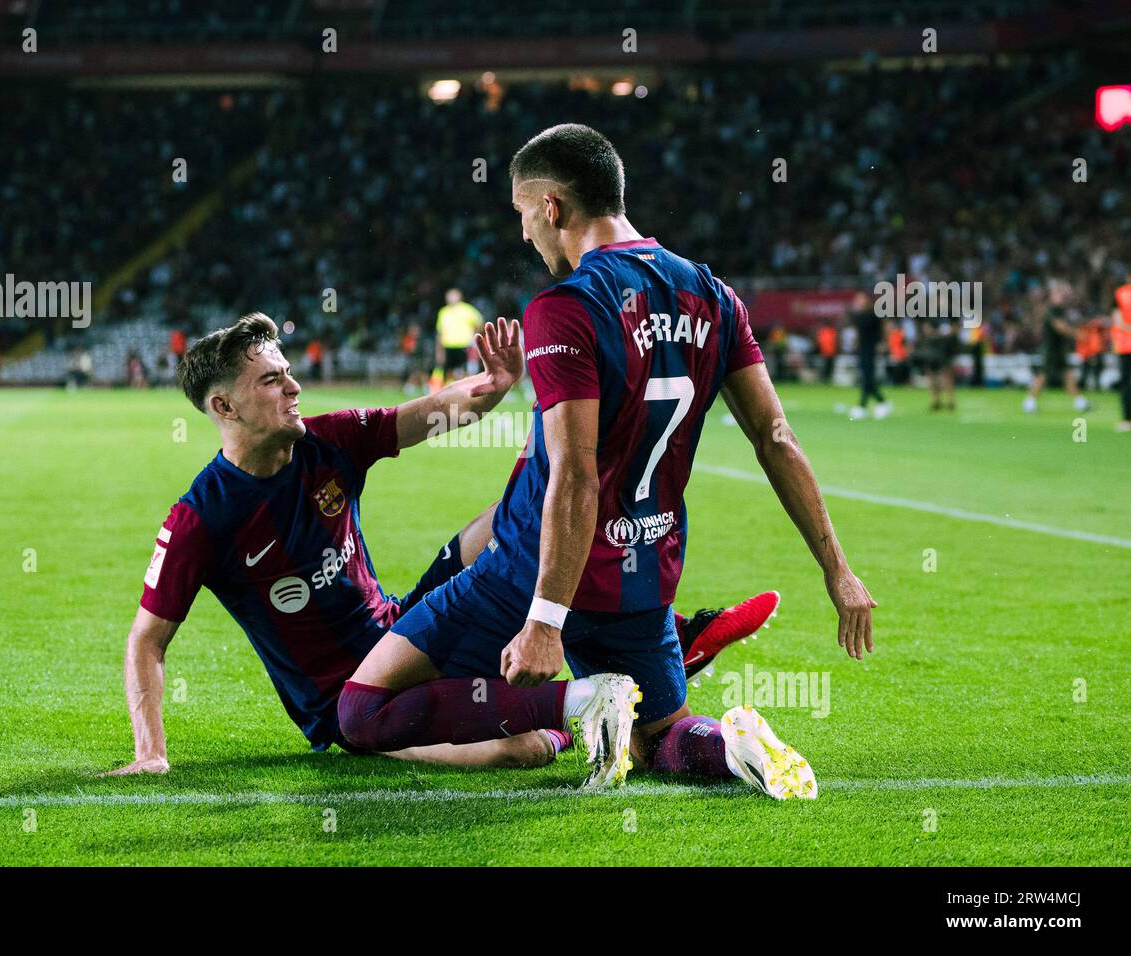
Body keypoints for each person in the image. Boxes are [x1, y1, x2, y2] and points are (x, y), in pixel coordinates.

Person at [338, 124, 875, 798]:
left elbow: (575, 472)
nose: (524, 232)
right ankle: (732, 747)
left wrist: (545, 620)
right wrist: (839, 572)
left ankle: (579, 701)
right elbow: (776, 439)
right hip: (641, 574)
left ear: (552, 206)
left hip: (530, 571)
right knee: (661, 741)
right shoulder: (713, 295)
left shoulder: (567, 307)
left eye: (522, 212)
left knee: (361, 710)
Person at [105, 311, 784, 775]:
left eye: (287, 371)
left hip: (400, 626)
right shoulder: (201, 519)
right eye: (271, 379)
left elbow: (427, 414)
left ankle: (653, 632)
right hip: (347, 701)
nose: (295, 385)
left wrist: (492, 386)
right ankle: (591, 702)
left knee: (507, 519)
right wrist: (150, 750)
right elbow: (146, 641)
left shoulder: (327, 441)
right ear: (223, 407)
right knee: (521, 751)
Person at [1024, 280, 1089, 414]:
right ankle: (1029, 401)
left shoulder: (1059, 310)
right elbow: (1059, 326)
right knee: (1044, 374)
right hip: (1051, 348)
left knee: (1067, 373)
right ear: (1052, 296)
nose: (1062, 296)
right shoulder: (1051, 310)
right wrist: (1077, 334)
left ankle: (1079, 401)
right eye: (1058, 294)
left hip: (1059, 347)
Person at [849, 290, 890, 419]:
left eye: (862, 299)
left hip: (871, 348)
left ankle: (866, 405)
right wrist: (855, 342)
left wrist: (883, 343)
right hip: (862, 349)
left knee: (867, 377)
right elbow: (858, 332)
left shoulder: (874, 314)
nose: (860, 302)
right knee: (866, 378)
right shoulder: (857, 315)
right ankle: (877, 402)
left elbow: (883, 329)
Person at [434, 288, 483, 381]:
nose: (452, 298)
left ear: (460, 296)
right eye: (450, 295)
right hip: (448, 345)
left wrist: (474, 340)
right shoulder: (443, 312)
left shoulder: (467, 309)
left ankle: (467, 387)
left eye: (454, 295)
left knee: (465, 370)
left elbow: (479, 324)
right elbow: (439, 332)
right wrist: (439, 350)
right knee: (448, 371)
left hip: (464, 345)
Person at [1114, 280, 1131, 432]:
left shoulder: (1120, 292)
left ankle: (1127, 420)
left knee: (1126, 384)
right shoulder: (1121, 292)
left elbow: (1117, 318)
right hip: (1125, 345)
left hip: (1125, 345)